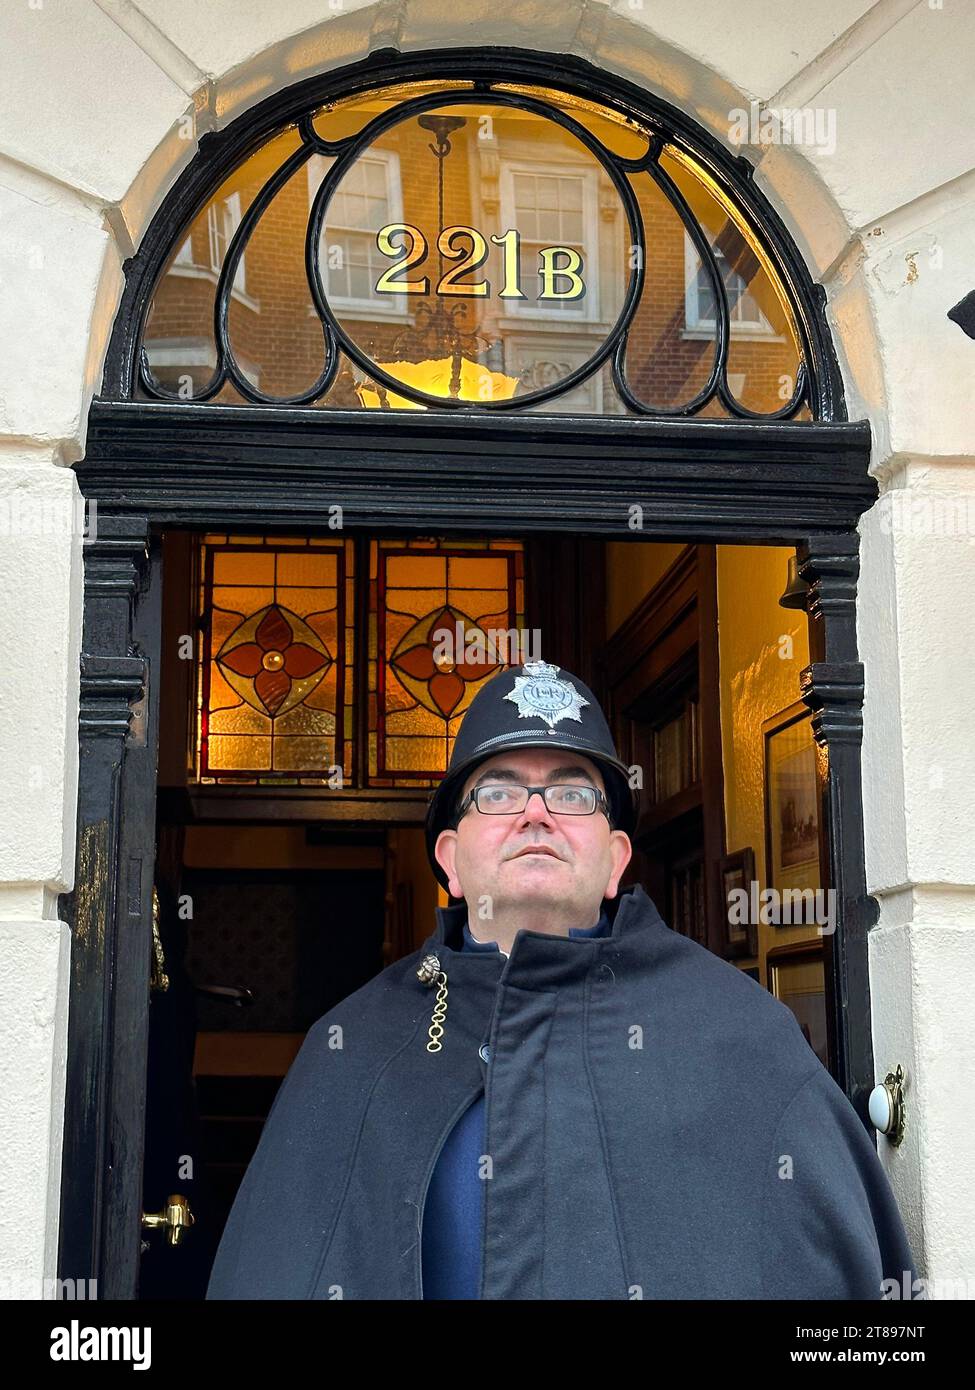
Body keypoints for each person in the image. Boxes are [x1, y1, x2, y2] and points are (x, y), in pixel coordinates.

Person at [206, 658, 919, 1300]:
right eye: (499, 792)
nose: (537, 813)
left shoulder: (741, 1033)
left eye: (572, 793)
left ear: (614, 860)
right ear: (449, 860)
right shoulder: (352, 1043)